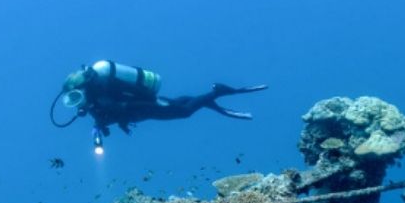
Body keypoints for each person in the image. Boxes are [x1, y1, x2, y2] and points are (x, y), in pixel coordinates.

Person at [51, 60, 267, 153]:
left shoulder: (101, 96)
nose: (76, 103)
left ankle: (216, 92)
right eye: (72, 100)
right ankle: (209, 99)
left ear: (83, 89)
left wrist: (154, 102)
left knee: (184, 112)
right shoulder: (97, 101)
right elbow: (108, 116)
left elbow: (125, 106)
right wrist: (102, 129)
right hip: (145, 110)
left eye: (75, 97)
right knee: (179, 104)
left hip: (146, 107)